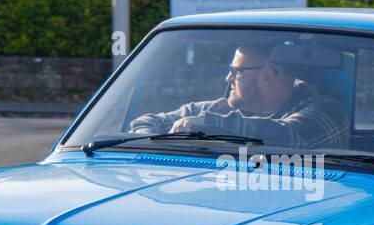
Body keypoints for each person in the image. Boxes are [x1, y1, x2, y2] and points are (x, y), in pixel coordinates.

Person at [129, 44, 348, 149]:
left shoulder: (327, 111)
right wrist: (152, 142)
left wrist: (208, 124)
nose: (228, 78)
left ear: (266, 75)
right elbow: (146, 121)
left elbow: (292, 136)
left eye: (236, 71)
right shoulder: (219, 109)